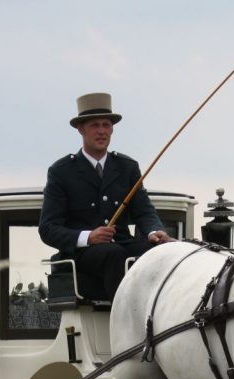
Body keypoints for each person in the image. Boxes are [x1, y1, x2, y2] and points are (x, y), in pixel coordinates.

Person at [39, 92, 173, 300]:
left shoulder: (127, 167)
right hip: (83, 253)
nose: (102, 131)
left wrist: (155, 231)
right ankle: (123, 315)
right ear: (81, 129)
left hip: (122, 244)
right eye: (95, 125)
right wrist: (88, 237)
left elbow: (144, 211)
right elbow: (48, 229)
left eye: (106, 125)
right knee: (113, 254)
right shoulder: (62, 172)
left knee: (162, 251)